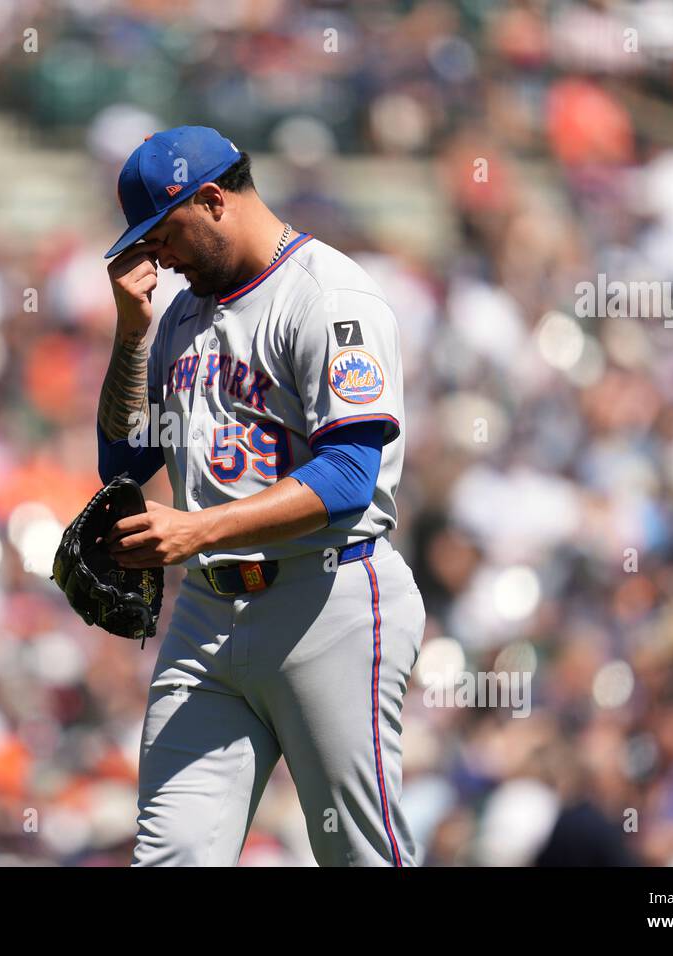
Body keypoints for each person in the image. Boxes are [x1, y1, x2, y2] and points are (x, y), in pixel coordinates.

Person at [97, 126, 426, 866]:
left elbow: (349, 476)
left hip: (329, 601)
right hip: (208, 614)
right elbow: (120, 459)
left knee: (361, 856)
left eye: (163, 234)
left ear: (212, 200)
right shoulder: (180, 316)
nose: (157, 258)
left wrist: (200, 529)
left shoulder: (327, 296)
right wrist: (130, 336)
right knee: (172, 854)